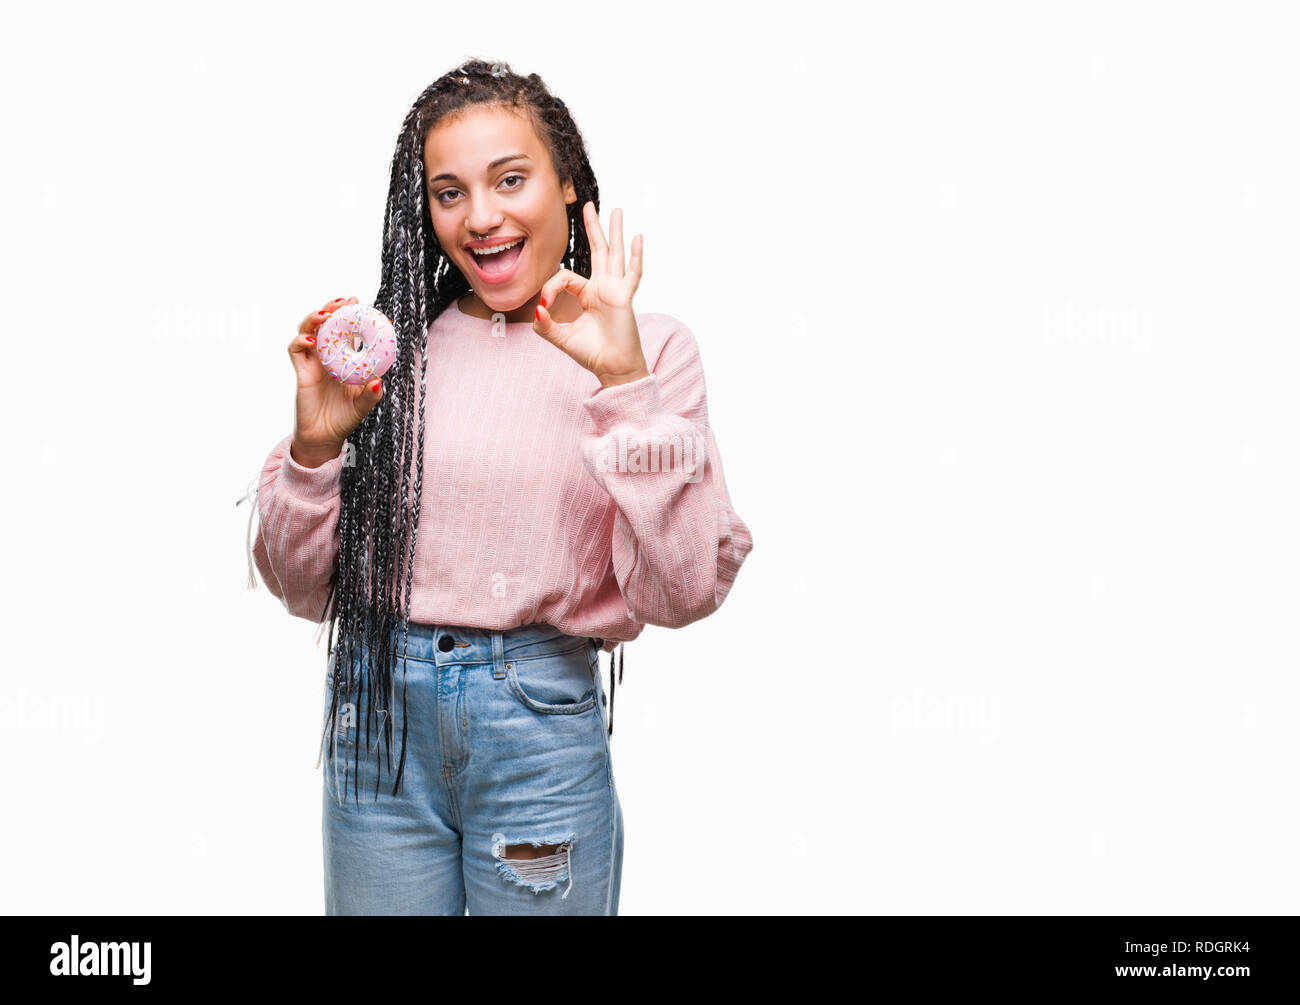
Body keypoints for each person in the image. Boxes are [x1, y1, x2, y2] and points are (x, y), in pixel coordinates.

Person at [247, 58, 754, 915]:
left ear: (567, 186)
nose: (480, 218)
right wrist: (314, 445)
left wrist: (624, 384)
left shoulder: (655, 349)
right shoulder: (393, 350)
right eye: (449, 192)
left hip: (536, 722)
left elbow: (681, 592)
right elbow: (301, 591)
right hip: (378, 725)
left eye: (509, 180)